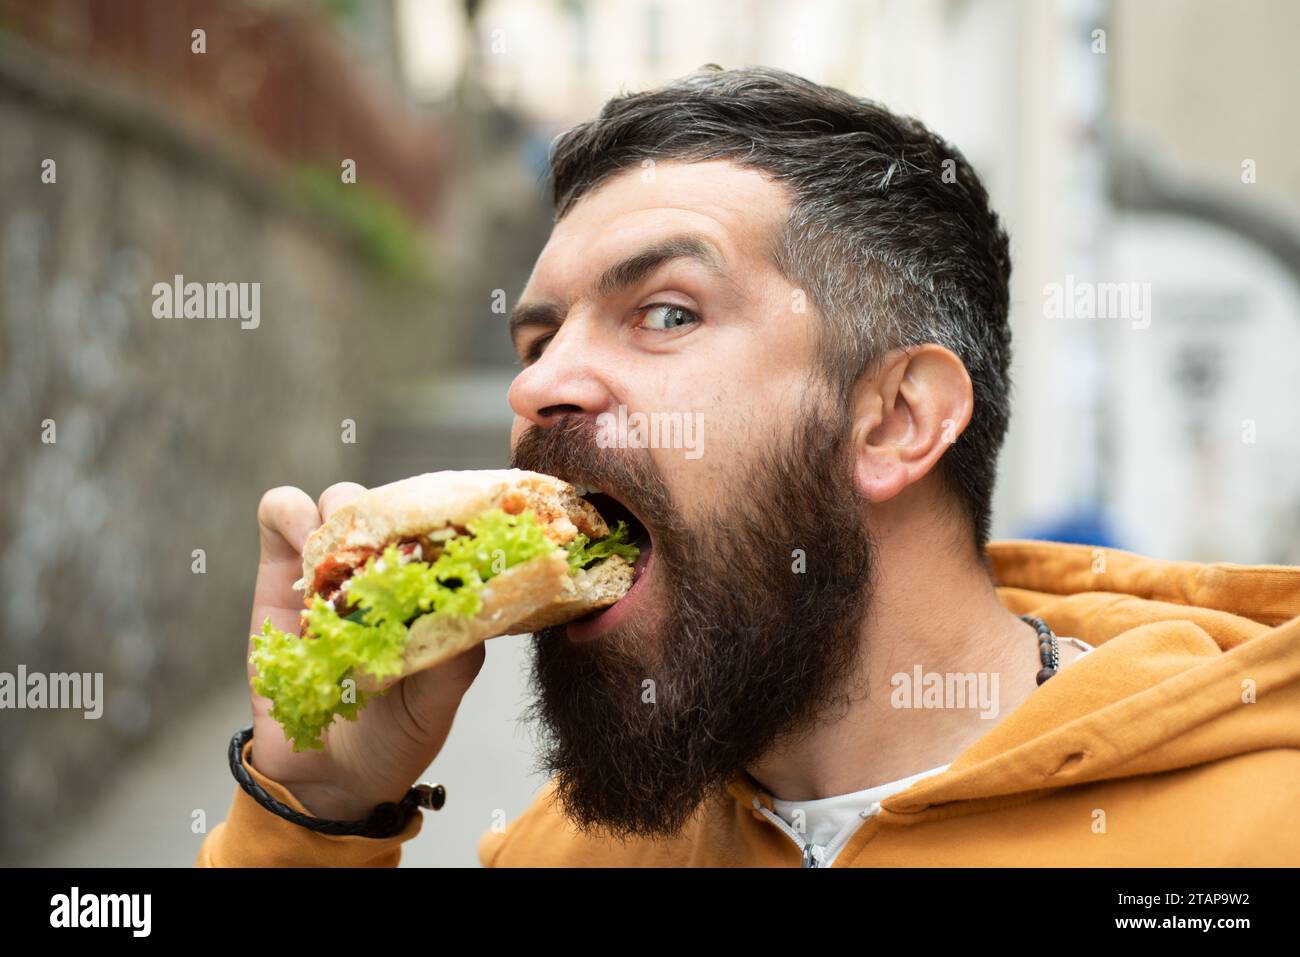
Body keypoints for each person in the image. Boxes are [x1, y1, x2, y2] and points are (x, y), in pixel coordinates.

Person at [197, 65, 1300, 868]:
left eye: (664, 312)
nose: (535, 388)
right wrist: (320, 814)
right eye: (538, 341)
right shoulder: (558, 858)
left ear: (896, 420)